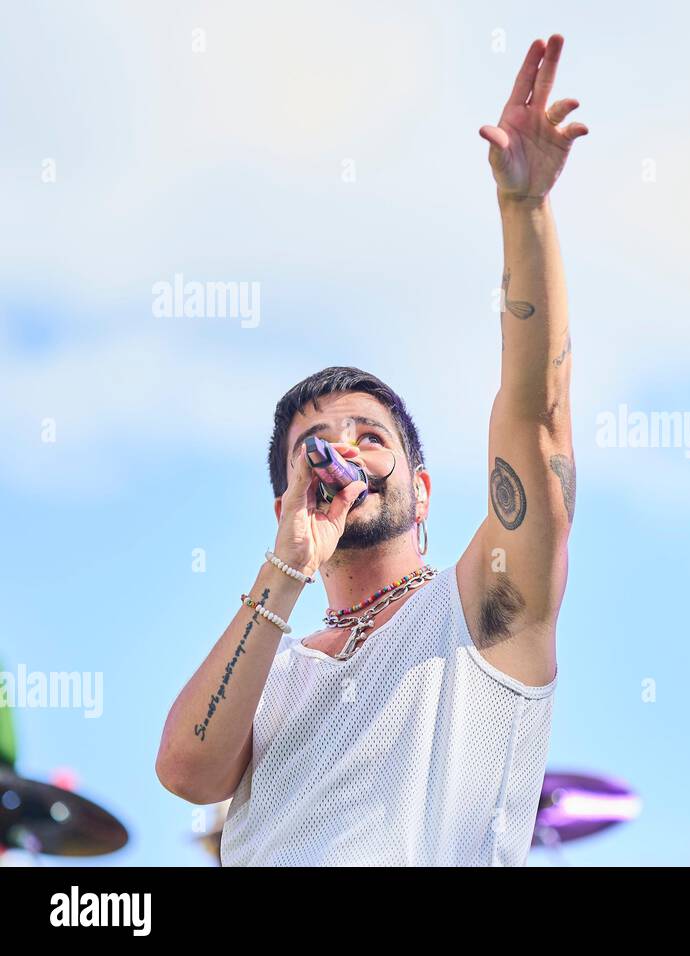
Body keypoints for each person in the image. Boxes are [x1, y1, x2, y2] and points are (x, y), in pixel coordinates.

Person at [154, 33, 586, 866]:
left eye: (368, 437)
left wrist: (524, 213)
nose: (338, 453)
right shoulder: (273, 668)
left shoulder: (482, 613)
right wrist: (287, 567)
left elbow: (537, 417)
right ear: (285, 498)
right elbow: (187, 771)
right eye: (311, 446)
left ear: (423, 492)